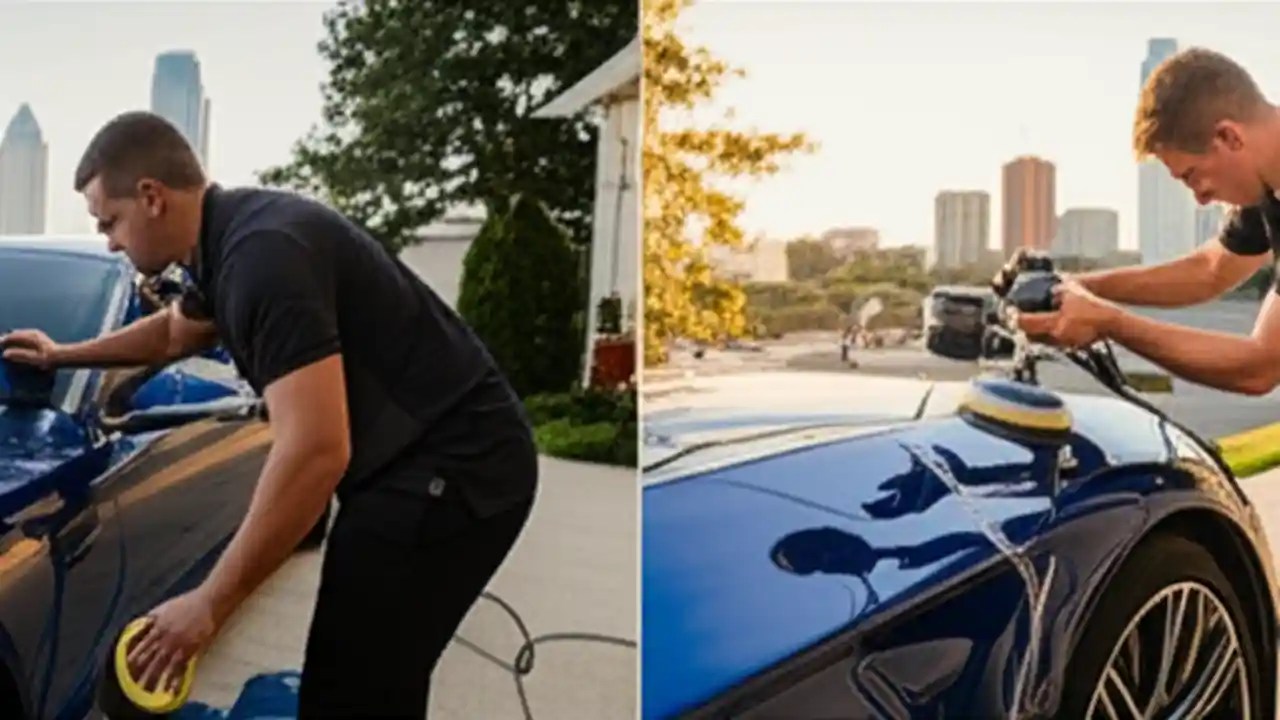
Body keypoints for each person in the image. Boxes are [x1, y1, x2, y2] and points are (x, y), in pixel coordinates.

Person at [0, 110, 539, 717]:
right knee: (364, 676)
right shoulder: (230, 241)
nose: (111, 242)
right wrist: (63, 354)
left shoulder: (265, 261)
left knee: (354, 688)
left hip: (455, 471)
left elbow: (316, 450)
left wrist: (208, 604)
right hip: (419, 464)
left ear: (151, 197)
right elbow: (174, 333)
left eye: (111, 221)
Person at [1017, 48, 1280, 397]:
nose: (1201, 198)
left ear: (1228, 137)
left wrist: (1109, 322)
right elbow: (1209, 270)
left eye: (1192, 176)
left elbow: (1260, 368)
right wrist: (1067, 287)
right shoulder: (1265, 185)